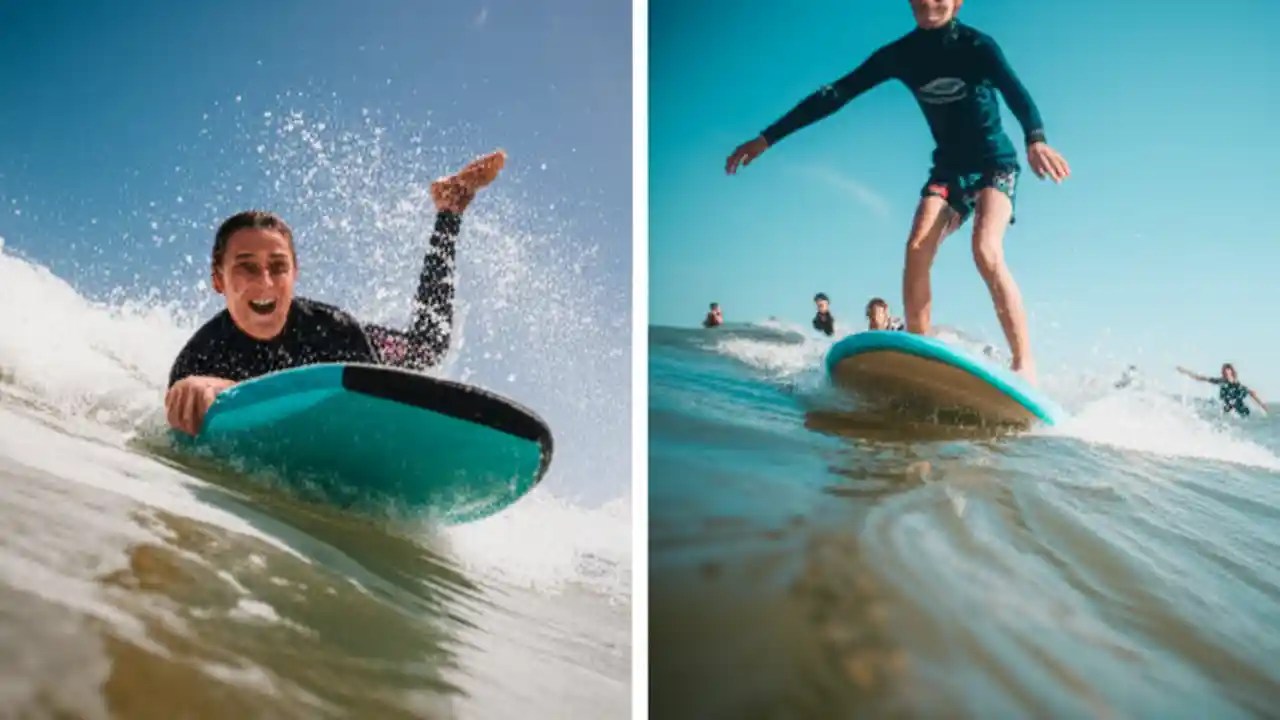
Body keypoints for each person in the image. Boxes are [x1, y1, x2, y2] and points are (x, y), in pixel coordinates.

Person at [724, 0, 1070, 385]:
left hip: (995, 164)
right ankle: (920, 355)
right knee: (917, 246)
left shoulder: (977, 46)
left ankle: (1024, 363)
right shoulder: (900, 54)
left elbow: (1015, 92)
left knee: (986, 250)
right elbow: (836, 94)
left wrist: (1035, 139)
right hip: (949, 169)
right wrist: (767, 138)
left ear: (957, 2)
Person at [164, 150, 506, 436]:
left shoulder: (335, 330)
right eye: (247, 267)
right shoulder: (198, 362)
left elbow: (378, 418)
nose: (266, 282)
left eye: (279, 266)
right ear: (218, 281)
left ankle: (450, 208)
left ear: (295, 273)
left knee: (427, 349)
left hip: (356, 352)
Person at [1177, 364, 1268, 417]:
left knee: (1243, 412)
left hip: (1238, 407)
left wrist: (1261, 404)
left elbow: (1252, 394)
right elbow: (1202, 378)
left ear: (1231, 372)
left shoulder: (1238, 385)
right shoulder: (1221, 381)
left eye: (1227, 372)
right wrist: (1186, 372)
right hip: (1227, 407)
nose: (1225, 374)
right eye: (1224, 372)